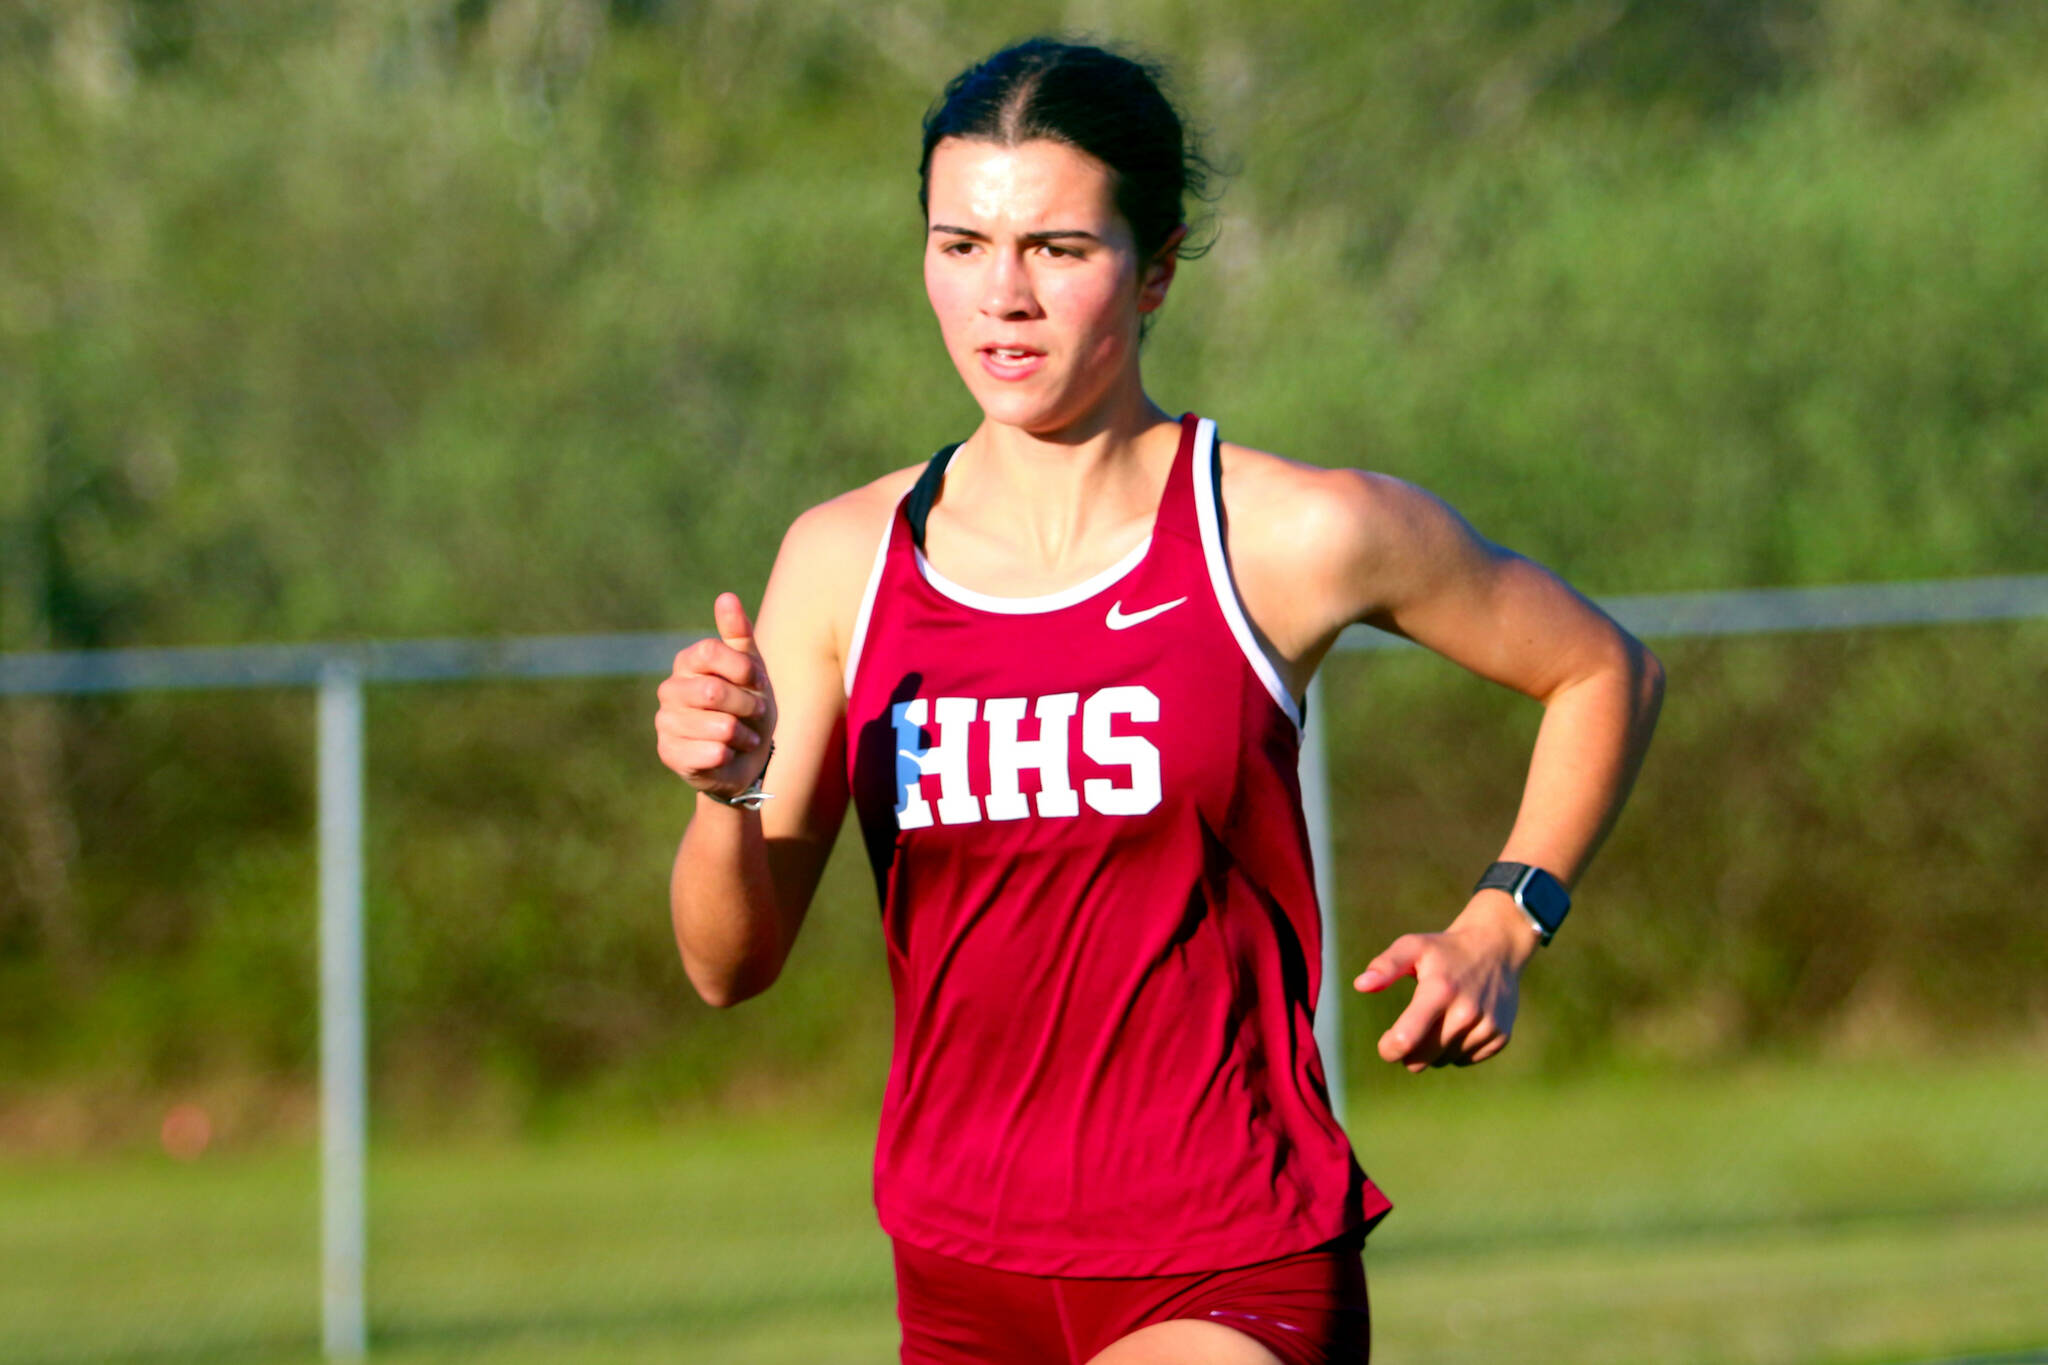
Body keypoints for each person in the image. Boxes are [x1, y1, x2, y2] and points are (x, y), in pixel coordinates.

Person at [655, 37, 1663, 1365]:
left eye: (1059, 249)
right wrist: (726, 790)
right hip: (960, 1268)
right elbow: (729, 965)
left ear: (1160, 267)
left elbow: (1601, 667)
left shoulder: (1286, 531)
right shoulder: (846, 561)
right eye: (961, 244)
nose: (1001, 297)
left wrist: (1504, 920)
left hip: (1230, 1250)